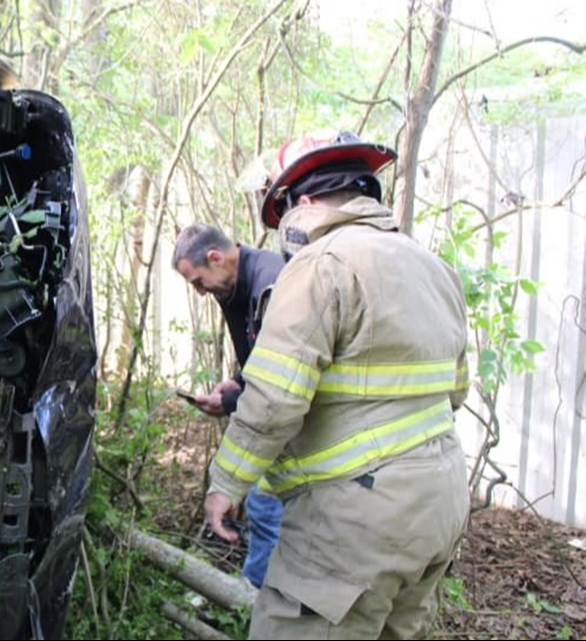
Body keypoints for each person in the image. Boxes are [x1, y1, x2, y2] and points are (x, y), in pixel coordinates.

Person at [204, 130, 470, 639]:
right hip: (441, 503)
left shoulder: (320, 265)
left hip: (355, 524)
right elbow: (455, 392)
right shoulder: (435, 269)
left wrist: (227, 484)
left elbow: (272, 399)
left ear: (302, 205)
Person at [171, 223, 284, 588]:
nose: (200, 291)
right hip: (276, 422)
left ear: (215, 257)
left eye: (198, 281)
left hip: (290, 425)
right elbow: (260, 357)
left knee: (267, 511)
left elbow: (282, 378)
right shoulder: (231, 286)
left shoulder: (271, 283)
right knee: (265, 511)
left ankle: (252, 602)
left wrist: (232, 401)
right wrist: (237, 382)